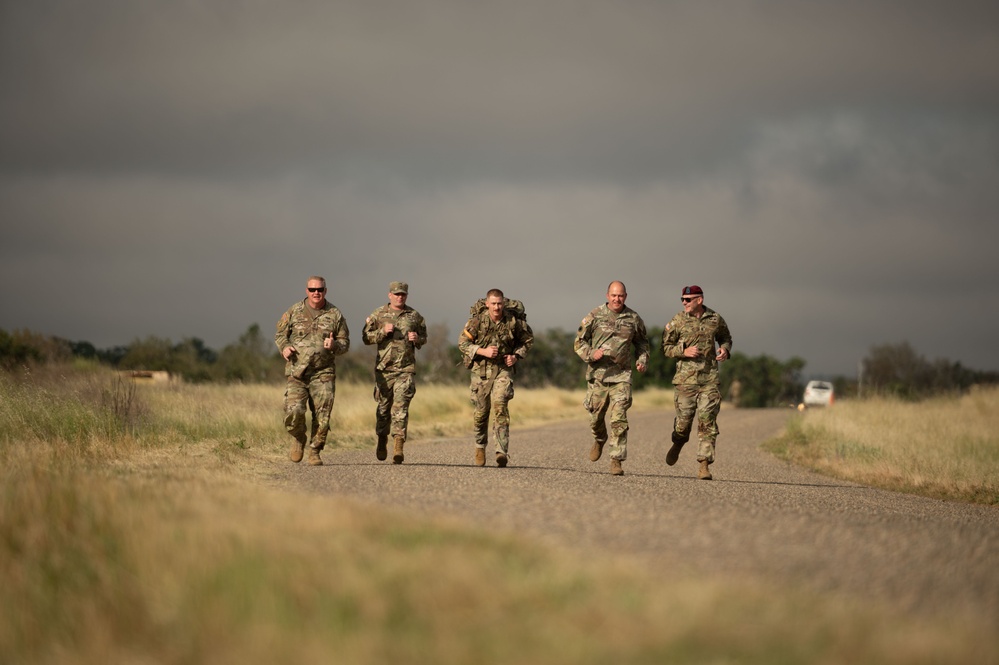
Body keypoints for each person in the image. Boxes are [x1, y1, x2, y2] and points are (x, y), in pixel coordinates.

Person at [574, 281, 650, 476]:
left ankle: (616, 460)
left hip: (622, 376)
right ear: (607, 295)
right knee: (595, 418)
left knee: (619, 418)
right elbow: (579, 342)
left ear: (626, 296)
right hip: (598, 376)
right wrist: (591, 354)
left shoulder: (633, 318)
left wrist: (642, 359)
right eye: (614, 295)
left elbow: (642, 343)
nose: (617, 299)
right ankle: (600, 439)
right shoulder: (595, 315)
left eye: (621, 296)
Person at [274, 276, 350, 466]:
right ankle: (298, 437)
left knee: (323, 416)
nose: (316, 293)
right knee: (294, 412)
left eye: (320, 289)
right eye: (312, 289)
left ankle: (315, 450)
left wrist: (334, 345)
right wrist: (284, 347)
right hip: (297, 372)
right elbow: (280, 335)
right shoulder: (294, 311)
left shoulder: (335, 314)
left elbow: (345, 343)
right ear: (306, 290)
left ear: (326, 290)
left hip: (323, 372)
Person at [661, 285, 733, 480]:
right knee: (683, 425)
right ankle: (678, 442)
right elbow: (666, 347)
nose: (684, 302)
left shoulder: (715, 319)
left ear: (699, 300)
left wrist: (725, 350)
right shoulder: (677, 320)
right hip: (685, 381)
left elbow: (725, 338)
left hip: (709, 379)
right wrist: (682, 352)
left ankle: (704, 465)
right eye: (682, 299)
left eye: (688, 299)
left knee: (707, 422)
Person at [457, 289, 534, 467]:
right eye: (493, 304)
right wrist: (482, 351)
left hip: (502, 369)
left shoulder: (513, 321)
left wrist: (515, 356)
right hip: (480, 371)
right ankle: (480, 446)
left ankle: (501, 451)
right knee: (481, 413)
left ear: (503, 304)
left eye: (499, 303)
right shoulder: (477, 321)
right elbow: (462, 343)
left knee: (500, 406)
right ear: (487, 304)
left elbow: (528, 340)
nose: (497, 307)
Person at [361, 281, 428, 464]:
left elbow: (424, 337)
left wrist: (417, 339)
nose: (400, 297)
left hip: (405, 369)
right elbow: (366, 337)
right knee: (383, 409)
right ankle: (382, 438)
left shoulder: (414, 316)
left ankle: (398, 445)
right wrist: (382, 332)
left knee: (401, 408)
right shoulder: (379, 314)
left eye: (403, 294)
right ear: (389, 295)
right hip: (385, 370)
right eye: (397, 294)